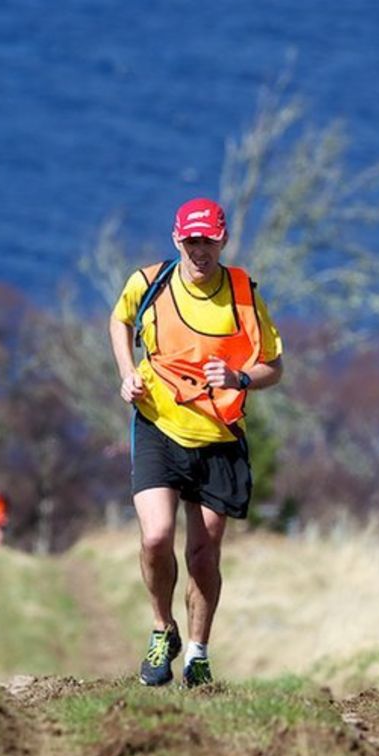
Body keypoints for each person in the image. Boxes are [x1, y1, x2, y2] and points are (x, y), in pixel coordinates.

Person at [109, 197, 283, 687]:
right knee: (156, 536)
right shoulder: (148, 283)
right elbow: (119, 321)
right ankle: (163, 628)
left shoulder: (244, 293)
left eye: (207, 241)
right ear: (176, 239)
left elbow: (274, 365)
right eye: (190, 241)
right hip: (158, 425)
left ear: (222, 239)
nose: (199, 251)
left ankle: (199, 654)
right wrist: (127, 375)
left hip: (220, 438)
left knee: (204, 557)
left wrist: (239, 377)